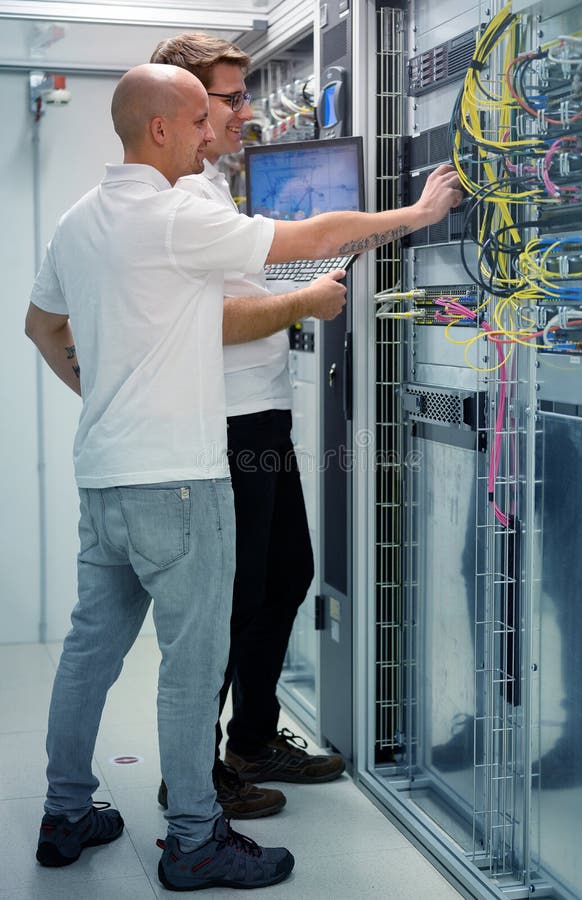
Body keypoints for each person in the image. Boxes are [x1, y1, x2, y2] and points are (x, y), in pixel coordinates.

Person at [26, 61, 462, 892]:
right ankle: (194, 839)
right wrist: (418, 211)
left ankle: (66, 812)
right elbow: (311, 238)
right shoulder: (173, 216)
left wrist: (104, 393)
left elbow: (41, 326)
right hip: (183, 481)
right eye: (200, 119)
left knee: (89, 655)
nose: (211, 133)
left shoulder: (79, 221)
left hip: (105, 474)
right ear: (160, 129)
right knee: (193, 669)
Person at [148, 30, 460, 821]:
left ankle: (251, 739)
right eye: (233, 98)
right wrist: (416, 213)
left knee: (285, 577)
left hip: (261, 417)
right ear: (186, 105)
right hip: (227, 427)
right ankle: (192, 775)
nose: (247, 111)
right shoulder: (183, 200)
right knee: (235, 598)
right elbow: (217, 312)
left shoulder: (214, 186)